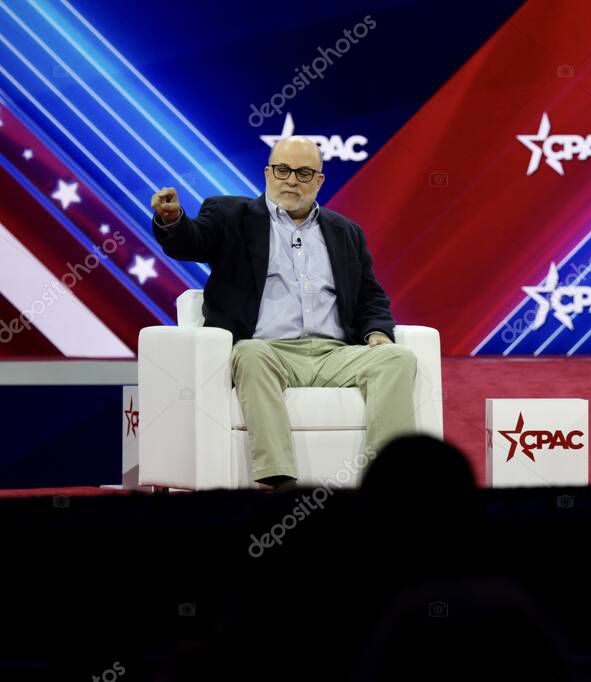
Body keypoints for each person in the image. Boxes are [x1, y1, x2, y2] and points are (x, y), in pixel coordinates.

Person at [150, 136, 417, 491]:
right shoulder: (231, 216)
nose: (291, 180)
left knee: (397, 359)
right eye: (282, 170)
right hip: (269, 352)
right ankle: (280, 481)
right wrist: (173, 220)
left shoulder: (345, 232)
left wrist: (378, 335)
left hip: (335, 355)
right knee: (249, 353)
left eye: (303, 173)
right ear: (267, 174)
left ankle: (389, 483)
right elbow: (191, 241)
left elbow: (370, 295)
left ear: (319, 181)